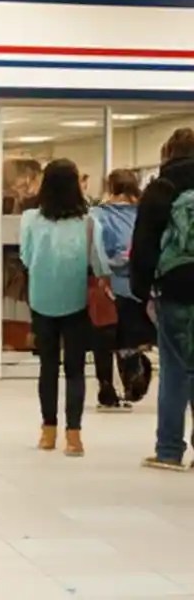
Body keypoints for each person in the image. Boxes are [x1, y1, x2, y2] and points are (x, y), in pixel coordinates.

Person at [21, 159, 106, 457]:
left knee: (47, 367)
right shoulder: (90, 221)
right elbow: (99, 263)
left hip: (42, 299)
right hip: (77, 301)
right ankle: (74, 435)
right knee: (75, 369)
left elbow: (26, 257)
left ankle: (48, 431)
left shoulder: (30, 218)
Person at [130, 128, 194, 471]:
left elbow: (143, 244)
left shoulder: (161, 189)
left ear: (168, 152)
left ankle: (169, 449)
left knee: (175, 368)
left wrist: (143, 289)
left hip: (175, 286)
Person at [89, 169, 155, 412]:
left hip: (110, 284)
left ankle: (108, 385)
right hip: (140, 284)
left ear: (110, 187)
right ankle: (133, 367)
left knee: (106, 334)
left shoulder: (98, 214)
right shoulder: (146, 213)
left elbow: (96, 251)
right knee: (133, 334)